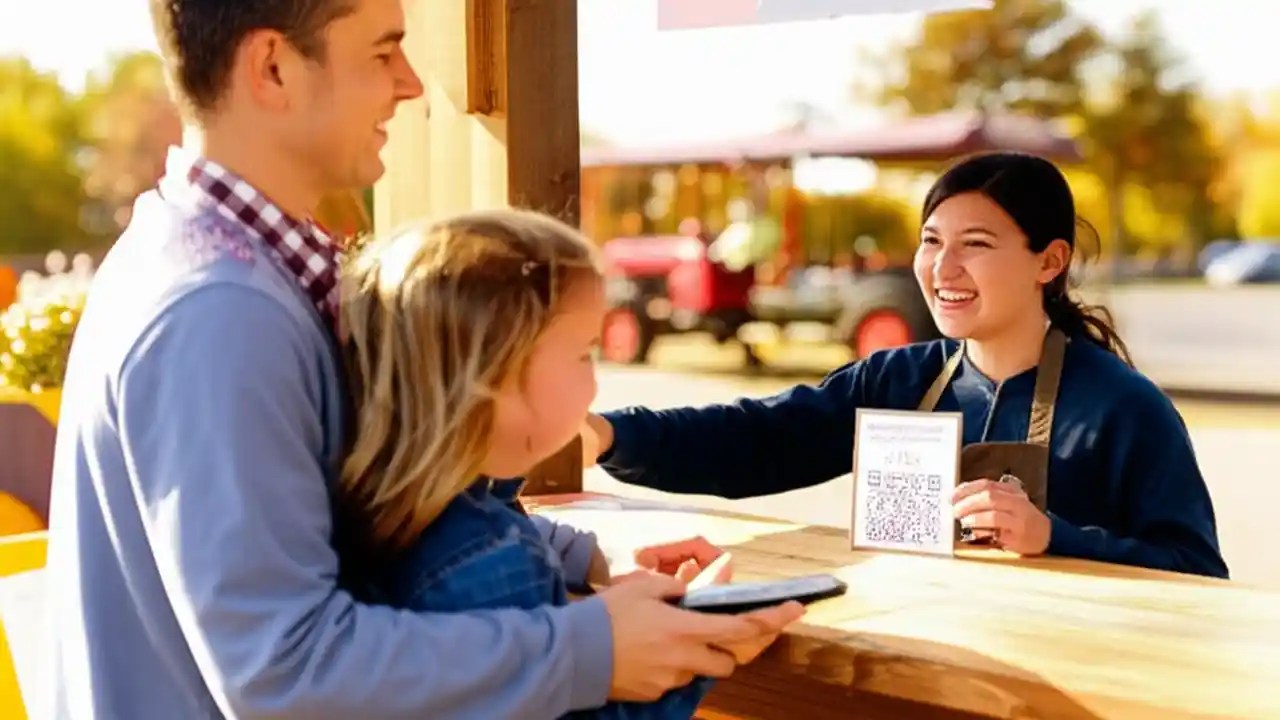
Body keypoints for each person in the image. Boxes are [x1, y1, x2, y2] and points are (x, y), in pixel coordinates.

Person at [45, 1, 795, 718]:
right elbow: (282, 672)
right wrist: (590, 647)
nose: (409, 82)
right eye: (381, 51)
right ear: (272, 67)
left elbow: (365, 512)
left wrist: (579, 563)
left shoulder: (234, 268)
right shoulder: (217, 312)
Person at [583, 151, 1229, 580]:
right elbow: (759, 438)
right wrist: (612, 435)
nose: (944, 270)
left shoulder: (1125, 409)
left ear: (1049, 261)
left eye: (976, 245)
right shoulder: (897, 381)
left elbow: (1198, 570)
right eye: (931, 242)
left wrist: (1054, 535)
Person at [335, 209, 800, 719]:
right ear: (494, 377)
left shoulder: (388, 507)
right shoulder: (496, 566)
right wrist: (707, 649)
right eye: (582, 353)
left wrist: (595, 559)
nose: (595, 379)